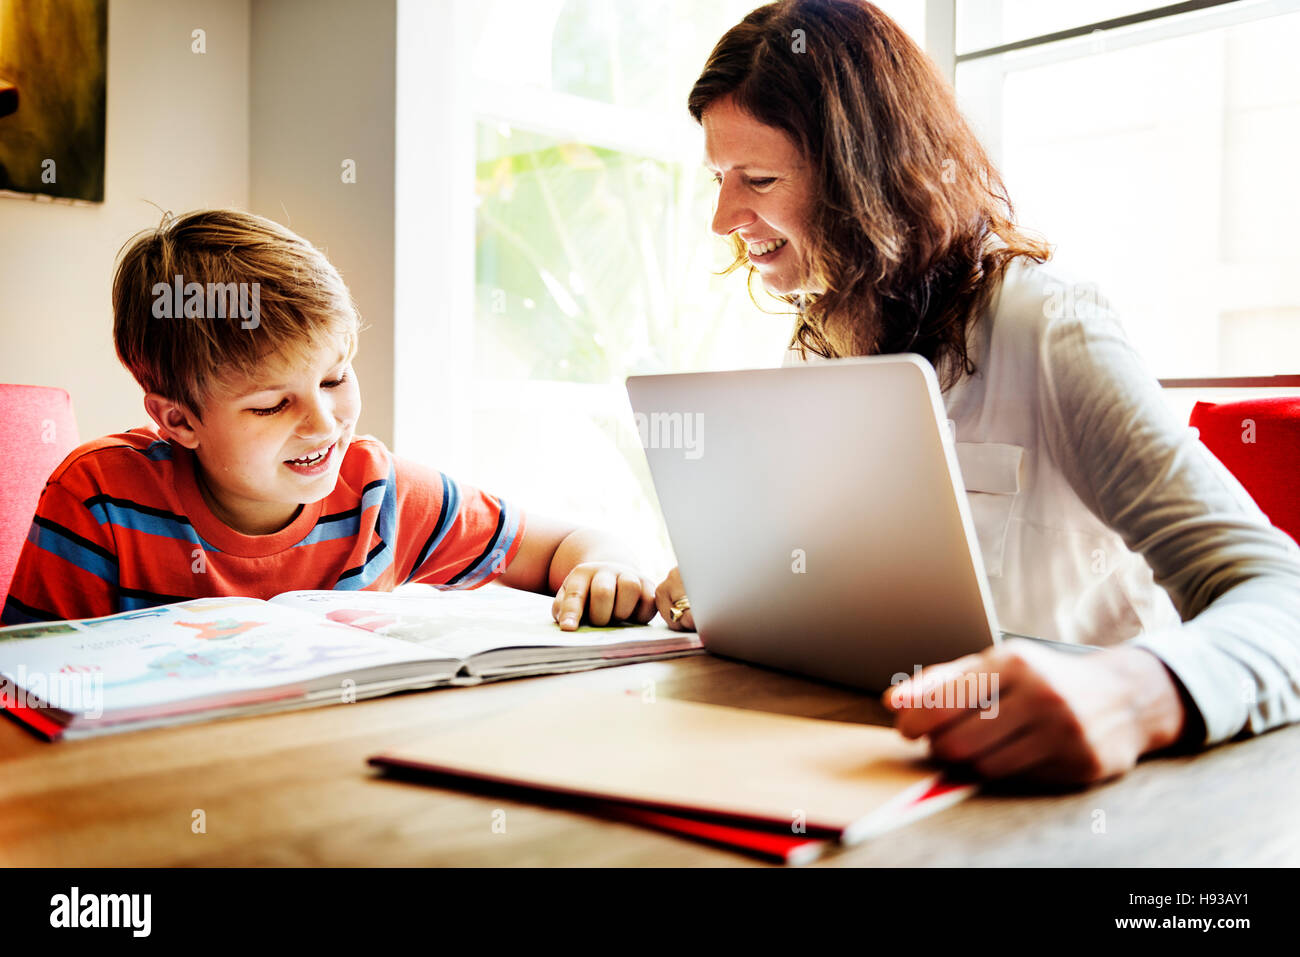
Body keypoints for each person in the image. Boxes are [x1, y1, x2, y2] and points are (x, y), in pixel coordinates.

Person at [655, 0, 1300, 784]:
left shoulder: (1047, 324)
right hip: (890, 766)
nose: (725, 216)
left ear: (865, 177)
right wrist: (737, 585)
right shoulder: (821, 343)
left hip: (1088, 796)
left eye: (757, 178)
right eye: (720, 178)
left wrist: (1136, 692)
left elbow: (1279, 596)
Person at [2, 209, 663, 633]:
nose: (324, 422)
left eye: (334, 378)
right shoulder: (97, 502)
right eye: (271, 404)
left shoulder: (377, 492)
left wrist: (606, 565)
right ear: (179, 421)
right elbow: (24, 686)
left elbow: (560, 544)